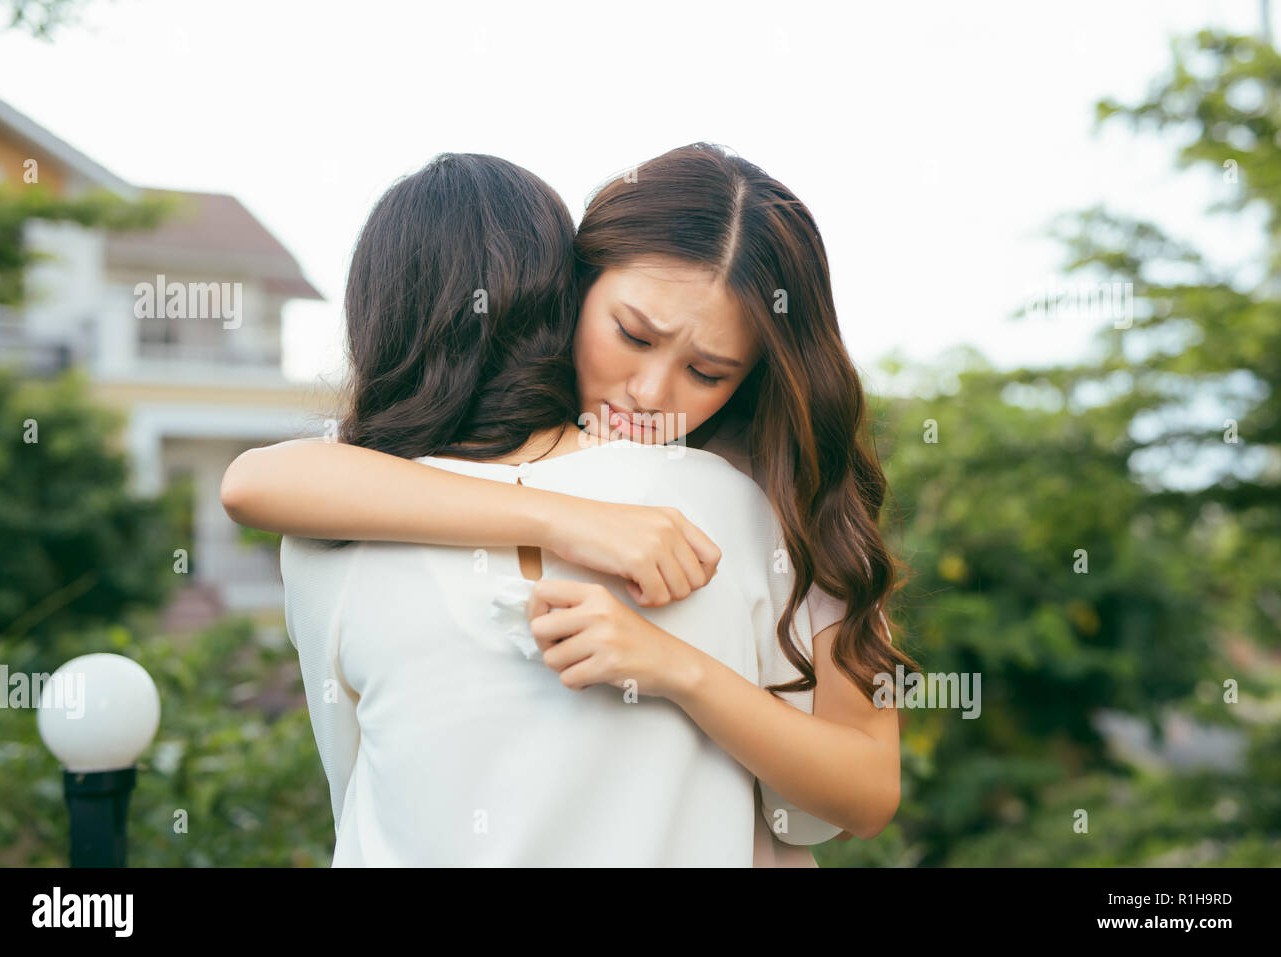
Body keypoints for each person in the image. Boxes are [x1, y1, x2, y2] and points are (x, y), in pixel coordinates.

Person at [224, 144, 917, 865]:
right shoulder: (391, 487)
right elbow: (256, 482)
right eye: (632, 335)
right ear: (570, 289)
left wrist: (680, 668)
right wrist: (573, 518)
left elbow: (863, 793)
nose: (650, 394)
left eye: (707, 372)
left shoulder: (772, 500)